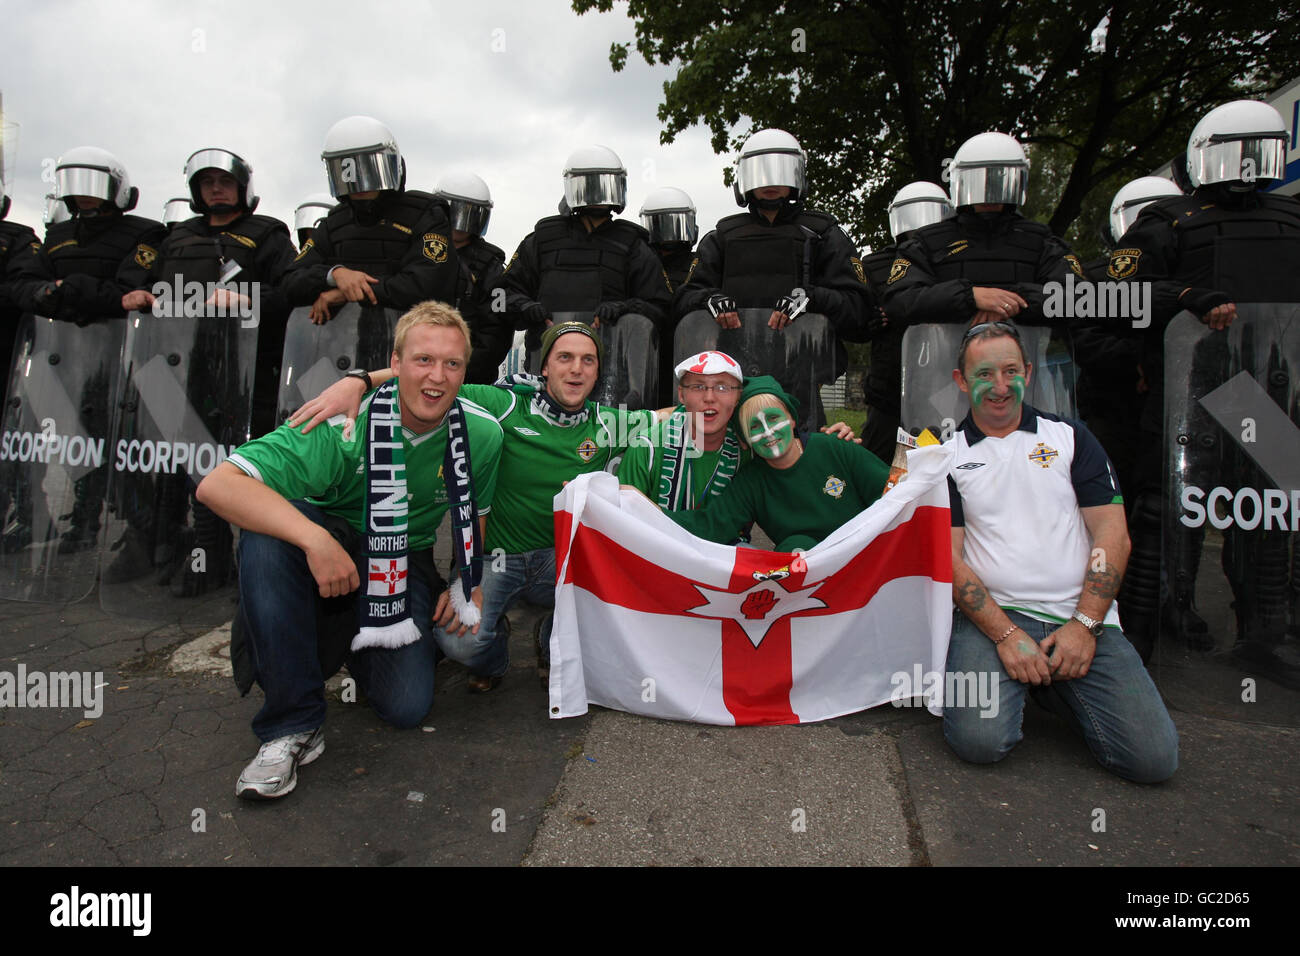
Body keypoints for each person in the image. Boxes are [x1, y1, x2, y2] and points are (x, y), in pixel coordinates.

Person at [196, 301, 503, 799]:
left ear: (466, 373)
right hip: (333, 544)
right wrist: (314, 539)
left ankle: (344, 644)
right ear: (395, 363)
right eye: (423, 360)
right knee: (271, 533)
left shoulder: (482, 432)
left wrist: (468, 580)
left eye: (452, 364)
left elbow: (478, 516)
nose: (438, 376)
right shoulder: (343, 424)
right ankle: (290, 726)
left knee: (406, 707)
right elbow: (218, 486)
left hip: (405, 558)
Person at [291, 321, 664, 691]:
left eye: (588, 360)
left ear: (598, 372)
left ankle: (553, 641)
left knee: (621, 590)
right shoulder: (503, 405)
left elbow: (670, 420)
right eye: (564, 357)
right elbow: (432, 378)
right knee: (460, 641)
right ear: (545, 366)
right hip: (496, 559)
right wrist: (359, 381)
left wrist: (712, 402)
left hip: (562, 561)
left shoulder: (609, 424)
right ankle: (496, 654)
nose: (576, 369)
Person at [1109, 99, 1300, 676]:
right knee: (1162, 515)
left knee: (1270, 520)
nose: (1243, 166)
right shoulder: (1167, 224)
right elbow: (1111, 298)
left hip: (1270, 392)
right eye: (1231, 151)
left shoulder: (1291, 220)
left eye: (1256, 151)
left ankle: (1265, 638)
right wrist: (1184, 298)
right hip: (1183, 394)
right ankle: (1138, 638)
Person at [943, 321, 1178, 782]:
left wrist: (1086, 626)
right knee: (979, 742)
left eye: (1011, 371)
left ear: (1028, 373)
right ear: (960, 380)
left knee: (1154, 762)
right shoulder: (945, 455)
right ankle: (1043, 677)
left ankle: (1053, 685)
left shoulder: (1071, 437)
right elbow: (947, 559)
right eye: (983, 373)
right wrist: (1006, 635)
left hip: (1081, 616)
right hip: (994, 617)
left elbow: (1114, 536)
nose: (999, 385)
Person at [10, 147, 165, 553]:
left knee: (116, 445)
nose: (84, 197)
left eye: (94, 186)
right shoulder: (57, 235)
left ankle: (141, 527)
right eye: (75, 187)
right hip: (57, 353)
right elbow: (23, 288)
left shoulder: (144, 233)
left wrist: (66, 290)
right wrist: (50, 292)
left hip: (116, 355)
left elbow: (129, 291)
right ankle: (69, 522)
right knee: (65, 441)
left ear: (117, 189)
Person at [674, 129, 870, 370]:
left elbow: (859, 311)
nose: (771, 180)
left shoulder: (823, 235)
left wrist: (811, 298)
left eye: (781, 170)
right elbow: (682, 300)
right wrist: (708, 299)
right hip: (732, 372)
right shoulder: (722, 237)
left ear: (797, 175)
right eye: (761, 171)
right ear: (745, 177)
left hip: (802, 370)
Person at [664, 376, 889, 551]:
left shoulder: (834, 446)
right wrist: (641, 510)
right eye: (755, 427)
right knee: (794, 545)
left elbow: (892, 491)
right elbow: (709, 525)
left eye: (773, 418)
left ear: (791, 419)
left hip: (864, 552)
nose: (768, 432)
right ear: (745, 440)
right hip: (809, 571)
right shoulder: (752, 480)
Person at [882, 132, 1080, 329]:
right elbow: (898, 300)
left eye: (997, 182)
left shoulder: (1041, 241)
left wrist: (1011, 300)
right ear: (961, 182)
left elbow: (1077, 298)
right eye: (978, 181)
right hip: (947, 357)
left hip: (1024, 357)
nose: (988, 193)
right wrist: (970, 296)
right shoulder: (927, 242)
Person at [282, 116, 458, 324]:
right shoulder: (334, 223)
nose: (358, 182)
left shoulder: (425, 214)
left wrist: (350, 292)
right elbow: (289, 282)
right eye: (346, 170)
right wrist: (334, 274)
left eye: (367, 169)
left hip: (414, 344)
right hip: (345, 343)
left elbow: (427, 286)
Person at [498, 145, 671, 343]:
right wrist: (524, 306)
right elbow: (499, 296)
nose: (597, 193)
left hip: (612, 360)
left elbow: (661, 308)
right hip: (547, 360)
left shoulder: (633, 246)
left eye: (604, 184)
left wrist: (626, 309)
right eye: (589, 185)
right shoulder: (542, 240)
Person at [860, 181, 955, 462]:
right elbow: (858, 315)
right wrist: (871, 319)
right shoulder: (875, 264)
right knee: (878, 467)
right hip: (888, 387)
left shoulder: (955, 257)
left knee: (941, 461)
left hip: (944, 382)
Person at [619, 349, 749, 510]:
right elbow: (623, 524)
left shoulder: (748, 450)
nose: (709, 398)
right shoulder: (646, 448)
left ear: (738, 397)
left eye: (722, 388)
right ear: (681, 395)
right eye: (698, 387)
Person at [434, 172, 512, 384]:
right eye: (456, 211)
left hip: (470, 377)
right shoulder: (418, 252)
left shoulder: (491, 266)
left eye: (469, 213)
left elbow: (498, 329)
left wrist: (465, 369)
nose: (461, 222)